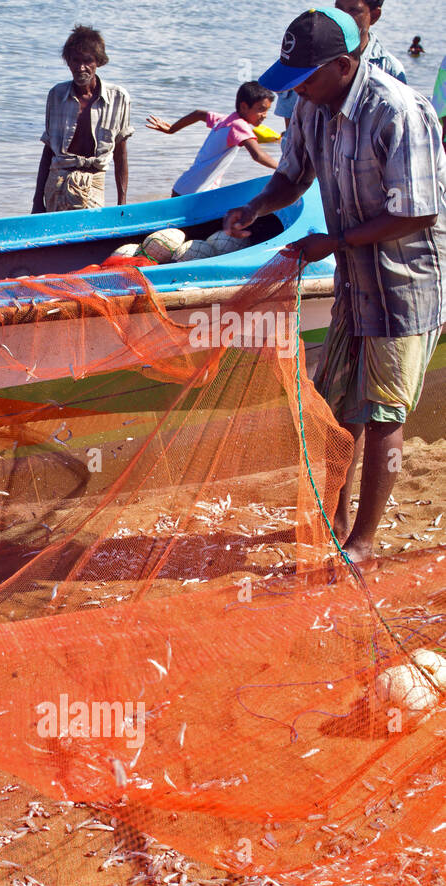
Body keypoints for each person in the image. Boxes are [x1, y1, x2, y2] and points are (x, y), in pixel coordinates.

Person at [224, 8, 446, 565]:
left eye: (306, 78)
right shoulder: (313, 109)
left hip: (405, 281)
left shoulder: (398, 110)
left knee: (383, 412)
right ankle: (334, 516)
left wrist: (335, 242)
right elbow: (292, 176)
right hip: (353, 277)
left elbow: (417, 212)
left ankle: (365, 541)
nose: (296, 91)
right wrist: (255, 206)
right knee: (335, 400)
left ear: (343, 66)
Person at [33, 24, 132, 213]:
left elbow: (121, 154)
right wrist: (37, 200)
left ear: (99, 62)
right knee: (57, 239)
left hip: (94, 181)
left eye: (88, 61)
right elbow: (48, 151)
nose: (81, 68)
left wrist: (122, 203)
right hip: (58, 180)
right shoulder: (56, 95)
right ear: (68, 62)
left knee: (89, 234)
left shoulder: (118, 98)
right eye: (75, 61)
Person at [275, 0, 407, 128]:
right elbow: (291, 131)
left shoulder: (389, 68)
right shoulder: (308, 57)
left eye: (353, 10)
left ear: (374, 15)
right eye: (339, 8)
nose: (343, 17)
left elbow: (397, 125)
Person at [146, 81, 278, 196]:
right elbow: (258, 155)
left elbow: (197, 114)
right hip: (196, 192)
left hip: (185, 187)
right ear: (244, 106)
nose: (264, 115)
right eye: (261, 109)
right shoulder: (239, 125)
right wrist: (283, 168)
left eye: (267, 111)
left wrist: (172, 129)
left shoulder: (225, 119)